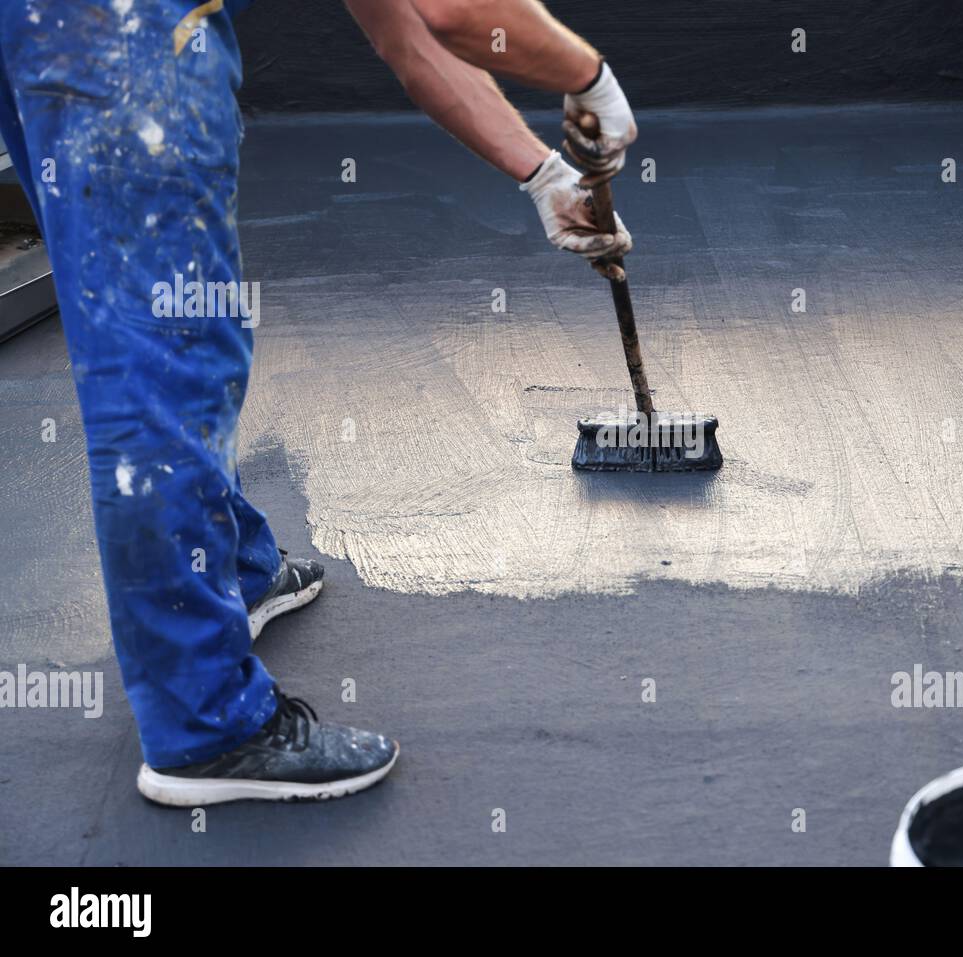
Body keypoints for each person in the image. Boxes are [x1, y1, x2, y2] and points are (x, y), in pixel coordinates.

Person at [0, 0, 635, 805]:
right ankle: (208, 729)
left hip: (59, 32)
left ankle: (226, 569)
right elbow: (454, 11)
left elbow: (403, 29)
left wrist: (544, 176)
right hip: (121, 39)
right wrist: (591, 77)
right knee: (164, 358)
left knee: (180, 328)